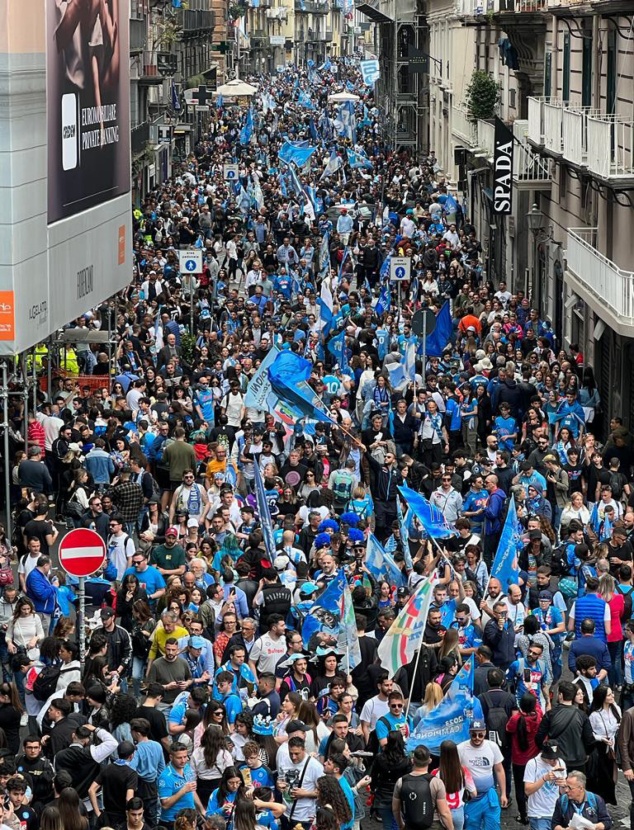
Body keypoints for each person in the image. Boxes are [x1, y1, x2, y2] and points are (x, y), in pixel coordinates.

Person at [458, 719, 507, 830]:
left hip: (489, 795)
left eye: (480, 735)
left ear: (485, 733)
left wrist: (503, 793)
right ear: (469, 733)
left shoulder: (492, 746)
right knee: (471, 826)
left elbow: (499, 770)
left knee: (493, 825)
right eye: (474, 735)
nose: (477, 738)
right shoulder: (460, 749)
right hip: (471, 799)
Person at [392, 744, 454, 830]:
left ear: (413, 760)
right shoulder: (436, 783)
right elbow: (444, 813)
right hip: (432, 825)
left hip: (410, 825)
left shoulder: (401, 782)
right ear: (430, 761)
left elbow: (395, 809)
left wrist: (401, 825)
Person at [158, 742, 204, 829]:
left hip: (190, 816)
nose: (183, 760)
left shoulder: (187, 768)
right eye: (179, 758)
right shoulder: (165, 777)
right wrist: (183, 791)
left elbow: (192, 791)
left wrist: (201, 809)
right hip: (173, 820)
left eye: (185, 757)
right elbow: (165, 804)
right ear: (171, 757)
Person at [433, 740, 476, 830]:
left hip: (441, 812)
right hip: (458, 812)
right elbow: (474, 793)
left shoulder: (435, 773)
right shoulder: (464, 772)